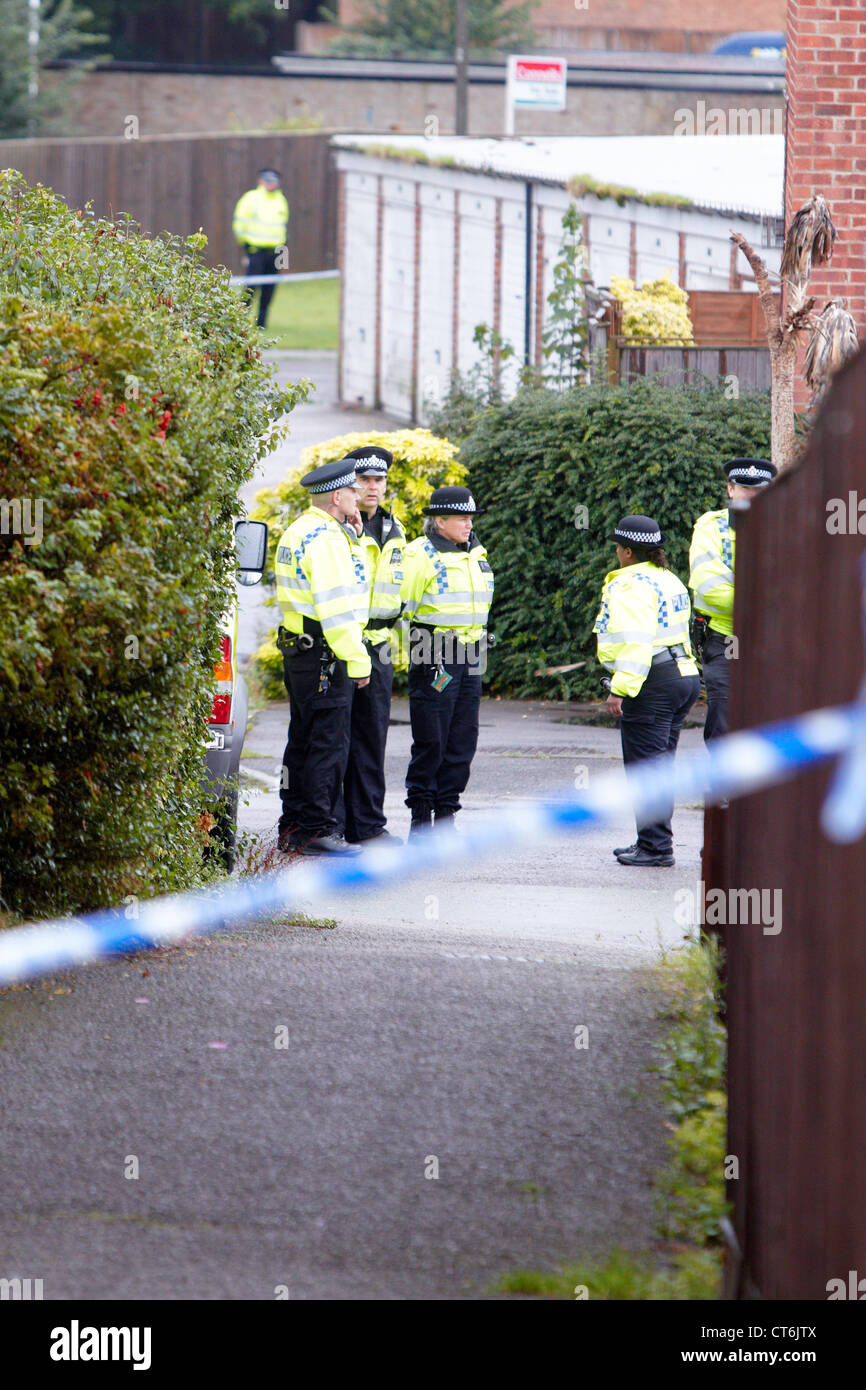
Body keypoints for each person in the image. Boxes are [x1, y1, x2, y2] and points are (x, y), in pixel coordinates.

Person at [274, 459, 371, 855]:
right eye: (352, 491)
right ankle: (317, 828)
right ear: (337, 496)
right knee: (327, 743)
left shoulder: (300, 530)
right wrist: (357, 659)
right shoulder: (328, 540)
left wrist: (357, 541)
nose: (359, 496)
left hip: (301, 651)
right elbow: (338, 607)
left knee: (301, 738)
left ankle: (293, 825)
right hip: (327, 653)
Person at [593, 514, 701, 868]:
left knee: (646, 769)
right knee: (660, 766)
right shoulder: (668, 579)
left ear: (626, 551)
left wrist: (620, 689)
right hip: (682, 674)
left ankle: (655, 848)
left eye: (617, 548)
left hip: (653, 681)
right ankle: (653, 842)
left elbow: (638, 642)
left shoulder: (628, 586)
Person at [400, 486, 494, 838]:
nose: (469, 525)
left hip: (470, 654)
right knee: (431, 739)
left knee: (462, 739)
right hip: (433, 650)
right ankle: (421, 820)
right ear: (439, 520)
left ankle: (446, 817)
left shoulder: (476, 552)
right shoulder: (418, 555)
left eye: (471, 518)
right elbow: (399, 610)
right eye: (462, 518)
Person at [336, 446, 406, 846]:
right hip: (343, 643)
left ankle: (367, 826)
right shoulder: (337, 530)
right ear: (350, 483)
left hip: (379, 646)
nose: (373, 487)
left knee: (371, 739)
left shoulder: (396, 531)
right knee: (334, 738)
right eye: (364, 479)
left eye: (378, 480)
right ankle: (331, 824)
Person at [689, 457, 777, 742]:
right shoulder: (710, 527)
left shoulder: (785, 526)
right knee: (723, 724)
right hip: (726, 640)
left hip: (772, 641)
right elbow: (710, 589)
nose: (751, 495)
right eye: (744, 488)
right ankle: (723, 786)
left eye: (759, 489)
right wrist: (763, 598)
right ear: (730, 489)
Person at [232, 168, 289, 329]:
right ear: (260, 181)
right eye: (267, 180)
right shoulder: (251, 198)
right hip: (255, 251)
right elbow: (240, 225)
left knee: (270, 289)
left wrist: (283, 258)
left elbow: (283, 227)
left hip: (277, 252)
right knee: (250, 288)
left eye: (274, 181)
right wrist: (246, 249)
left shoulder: (280, 200)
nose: (271, 184)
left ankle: (262, 324)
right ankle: (239, 321)